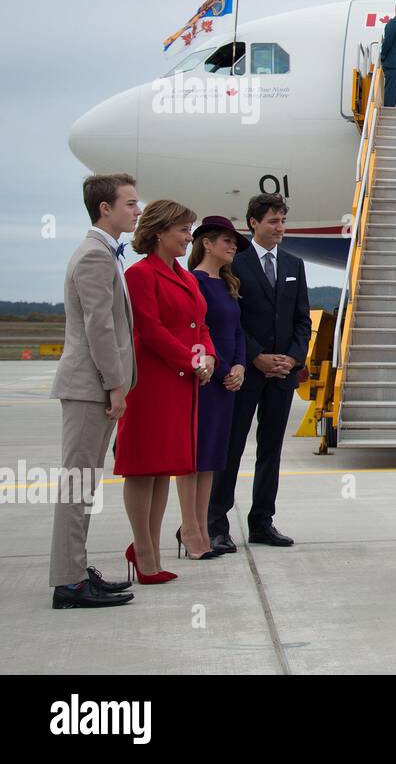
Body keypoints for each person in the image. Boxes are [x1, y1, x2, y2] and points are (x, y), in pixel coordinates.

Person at [49, 174, 141, 609]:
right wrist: (116, 385)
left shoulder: (102, 251)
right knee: (77, 484)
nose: (137, 211)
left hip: (92, 386)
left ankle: (75, 570)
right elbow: (99, 327)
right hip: (90, 387)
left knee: (83, 484)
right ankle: (68, 583)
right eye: (130, 203)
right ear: (105, 208)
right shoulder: (94, 256)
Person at [115, 199, 216, 584]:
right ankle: (143, 551)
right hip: (152, 384)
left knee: (162, 469)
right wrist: (190, 361)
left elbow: (200, 324)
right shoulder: (140, 275)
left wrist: (208, 357)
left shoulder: (187, 276)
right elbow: (150, 329)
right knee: (143, 468)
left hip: (181, 383)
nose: (189, 236)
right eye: (184, 230)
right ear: (159, 232)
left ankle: (150, 549)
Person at [208, 193, 311, 551]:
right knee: (231, 447)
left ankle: (262, 522)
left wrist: (292, 359)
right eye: (273, 221)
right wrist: (257, 357)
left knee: (271, 449)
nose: (280, 228)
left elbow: (302, 320)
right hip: (246, 371)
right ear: (253, 223)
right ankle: (216, 522)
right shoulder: (235, 263)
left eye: (283, 221)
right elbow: (230, 320)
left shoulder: (295, 265)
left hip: (282, 375)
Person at [184, 216, 250, 560]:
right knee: (196, 457)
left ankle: (200, 528)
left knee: (211, 458)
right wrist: (225, 368)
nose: (233, 247)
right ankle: (191, 529)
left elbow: (237, 331)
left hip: (226, 381)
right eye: (227, 240)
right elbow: (198, 331)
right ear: (206, 243)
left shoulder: (228, 284)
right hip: (207, 379)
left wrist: (239, 365)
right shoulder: (192, 282)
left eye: (235, 243)